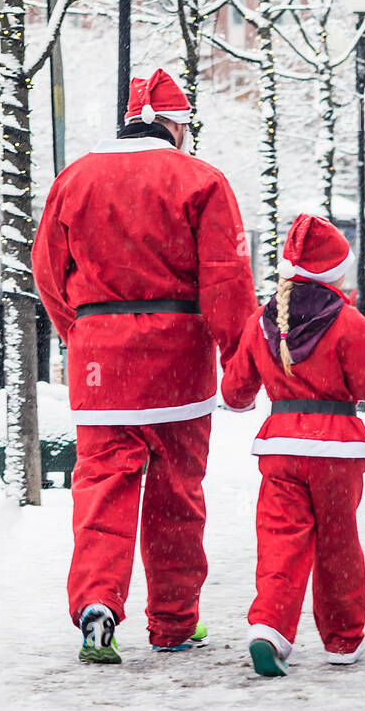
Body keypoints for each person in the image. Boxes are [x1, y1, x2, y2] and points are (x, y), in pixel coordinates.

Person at [31, 69, 256, 663]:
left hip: (100, 364)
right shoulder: (202, 181)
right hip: (178, 363)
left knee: (102, 485)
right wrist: (240, 366)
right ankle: (175, 621)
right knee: (176, 493)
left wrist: (80, 334)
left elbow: (49, 275)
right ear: (176, 124)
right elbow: (227, 280)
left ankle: (97, 604)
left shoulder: (73, 179)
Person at [221, 214, 365, 676]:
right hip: (337, 450)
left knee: (280, 542)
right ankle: (341, 639)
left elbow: (236, 391)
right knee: (339, 544)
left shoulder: (263, 321)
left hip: (280, 448)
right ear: (337, 270)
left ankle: (269, 627)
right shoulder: (350, 322)